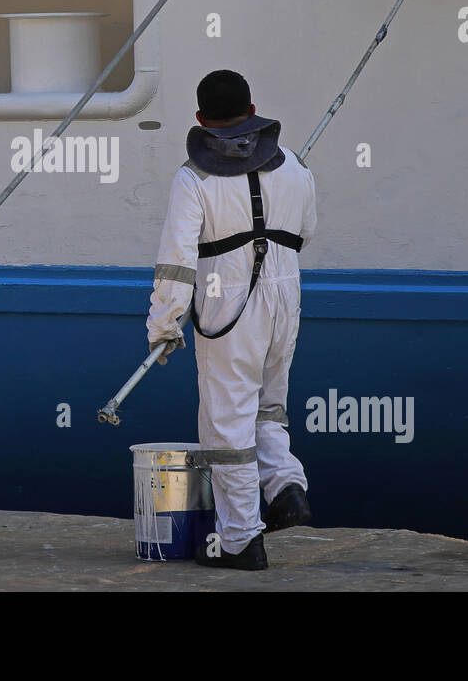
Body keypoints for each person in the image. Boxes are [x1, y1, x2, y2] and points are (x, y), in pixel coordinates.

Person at [145, 69, 316, 570]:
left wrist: (164, 323)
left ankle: (241, 539)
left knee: (226, 424)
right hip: (285, 295)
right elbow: (307, 231)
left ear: (200, 120)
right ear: (253, 107)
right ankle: (286, 484)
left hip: (227, 300)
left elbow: (176, 263)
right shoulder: (296, 167)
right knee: (268, 406)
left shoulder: (192, 178)